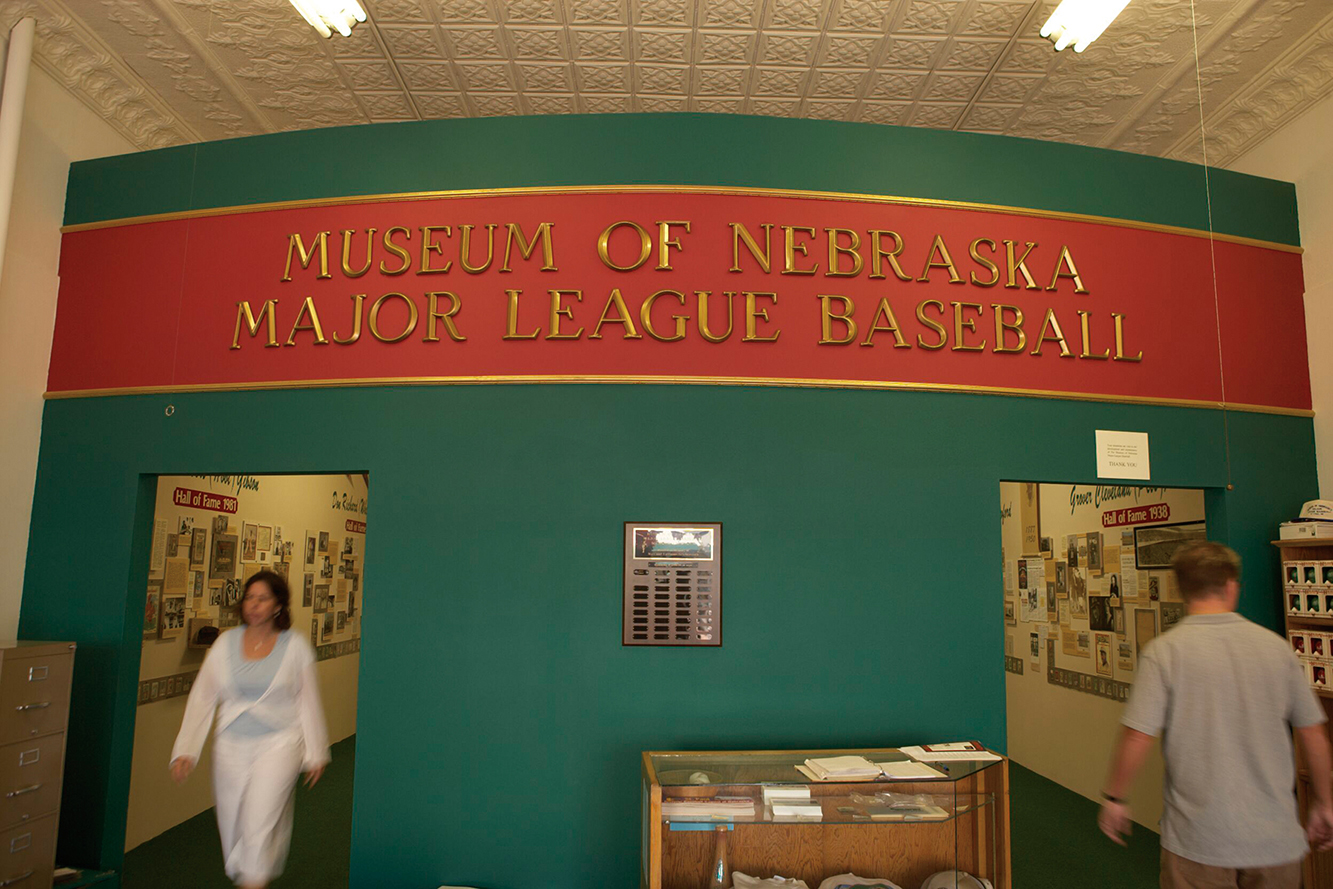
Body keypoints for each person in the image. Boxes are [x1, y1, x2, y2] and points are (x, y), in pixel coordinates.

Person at [1098, 541, 1333, 888]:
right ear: (1231, 586)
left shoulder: (1164, 653)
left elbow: (1138, 735)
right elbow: (1312, 732)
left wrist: (1115, 798)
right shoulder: (1277, 649)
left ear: (1181, 590)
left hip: (1198, 843)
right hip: (1275, 840)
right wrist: (1325, 803)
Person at [170, 570, 330, 889]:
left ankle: (253, 880)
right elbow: (203, 697)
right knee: (234, 827)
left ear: (278, 606)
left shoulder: (294, 646)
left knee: (258, 827)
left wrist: (316, 751)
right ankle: (250, 875)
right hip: (231, 745)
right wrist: (186, 750)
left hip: (280, 744)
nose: (254, 605)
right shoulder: (225, 643)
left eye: (263, 598)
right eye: (249, 597)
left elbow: (307, 701)